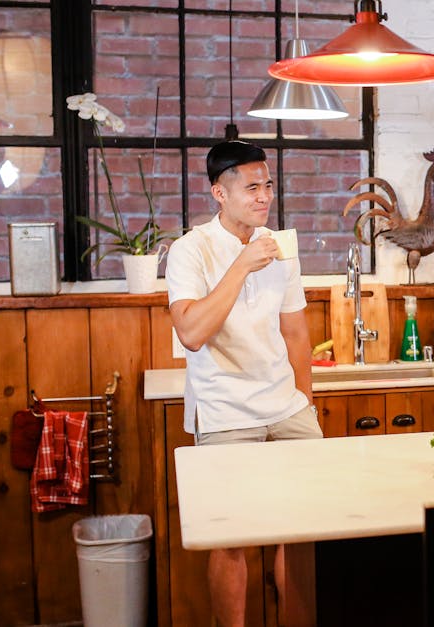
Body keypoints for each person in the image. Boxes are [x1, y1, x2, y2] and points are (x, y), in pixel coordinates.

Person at [165, 140, 321, 627]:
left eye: (268, 185)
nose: (263, 196)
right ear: (219, 192)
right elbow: (191, 333)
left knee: (302, 532)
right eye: (251, 187)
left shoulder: (281, 247)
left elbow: (296, 332)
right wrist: (241, 265)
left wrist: (306, 405)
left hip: (285, 407)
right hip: (225, 411)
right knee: (231, 537)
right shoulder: (190, 251)